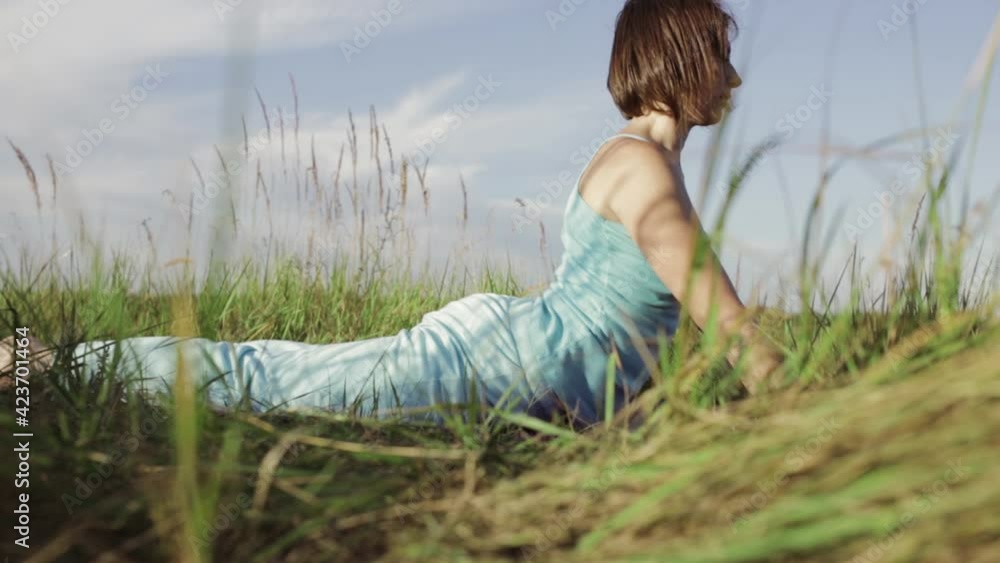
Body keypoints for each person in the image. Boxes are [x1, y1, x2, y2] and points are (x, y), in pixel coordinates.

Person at [0, 0, 783, 425]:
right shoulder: (644, 170)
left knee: (280, 374)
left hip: (516, 363)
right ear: (683, 53)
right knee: (275, 379)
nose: (734, 78)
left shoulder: (642, 160)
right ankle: (49, 365)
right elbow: (732, 326)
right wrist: (812, 414)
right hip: (495, 368)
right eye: (720, 52)